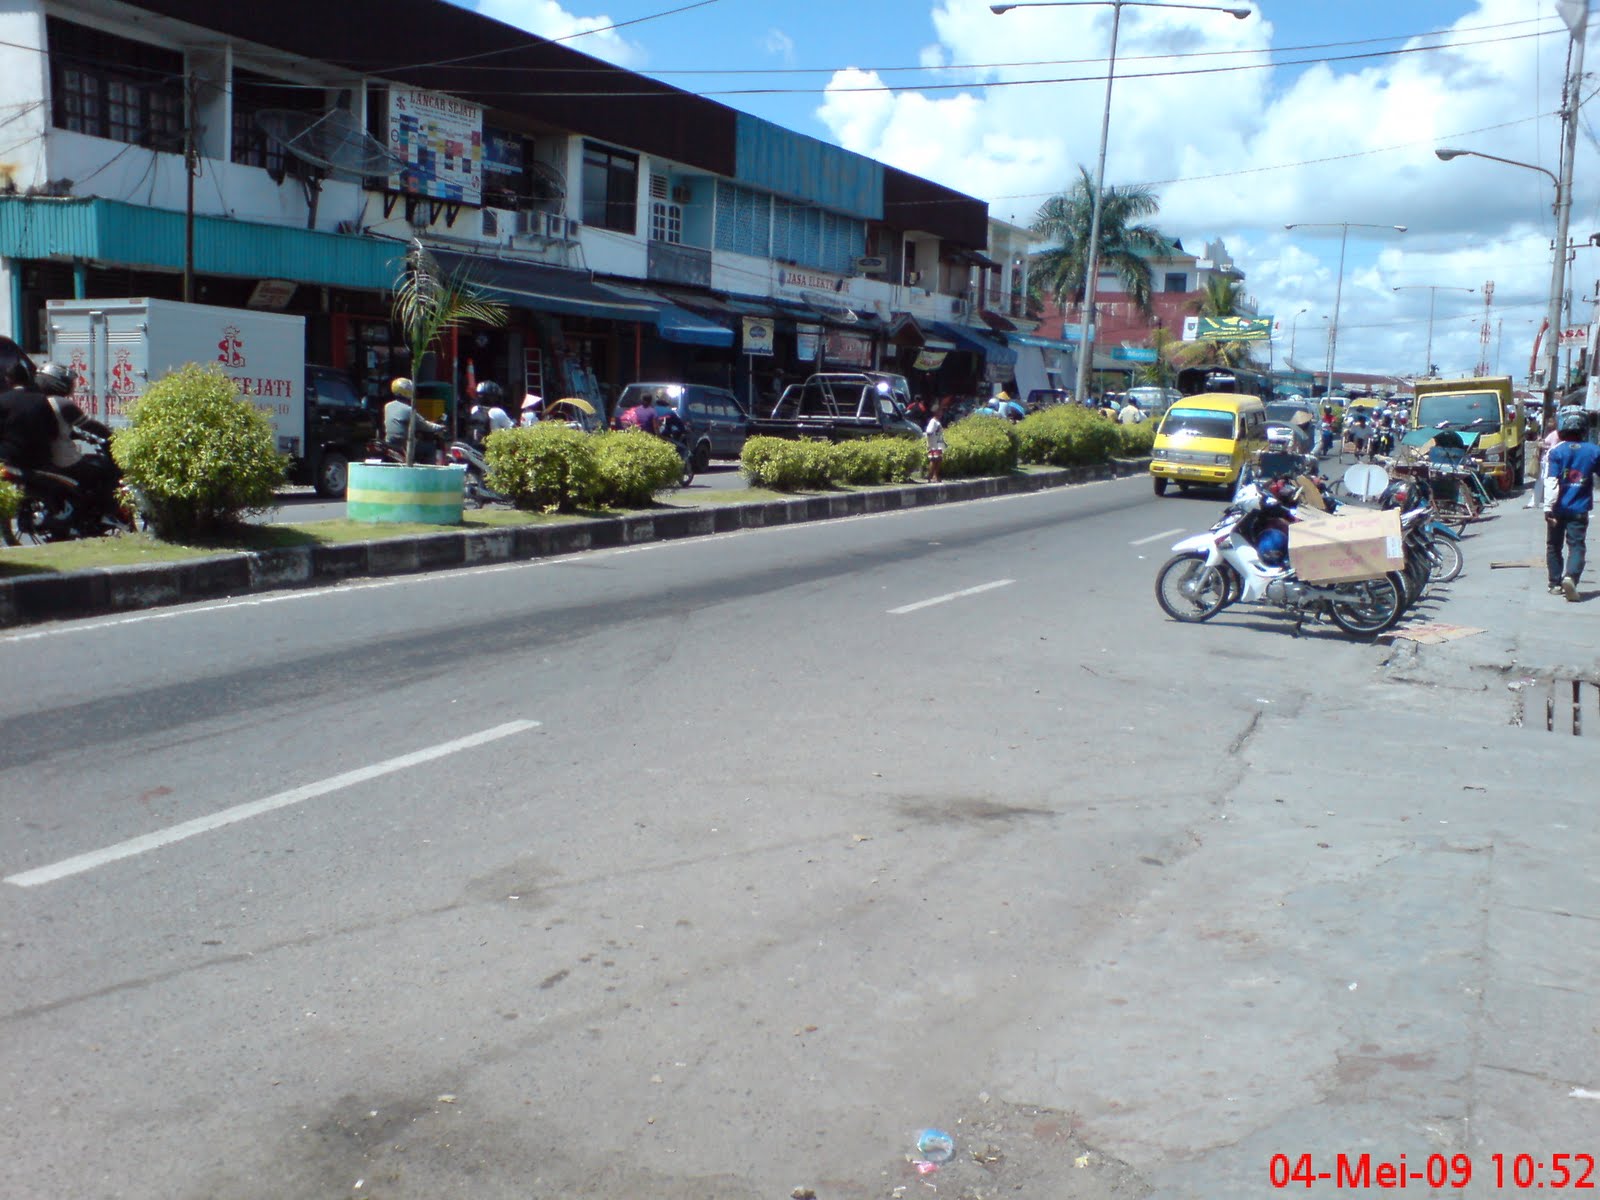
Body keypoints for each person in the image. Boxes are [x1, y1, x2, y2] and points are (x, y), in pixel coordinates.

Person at [1543, 405, 1600, 601]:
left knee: (1554, 546)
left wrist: (1547, 507)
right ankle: (1571, 577)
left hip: (1557, 509)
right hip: (1580, 509)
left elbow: (1551, 481)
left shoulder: (1556, 452)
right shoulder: (1594, 451)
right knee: (1576, 545)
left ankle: (1555, 584)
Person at [383, 377, 444, 462]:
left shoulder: (388, 406)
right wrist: (441, 427)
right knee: (430, 448)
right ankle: (427, 470)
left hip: (390, 442)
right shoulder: (408, 409)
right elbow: (425, 426)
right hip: (404, 444)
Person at [464, 380, 513, 446]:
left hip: (474, 446)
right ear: (493, 397)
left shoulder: (475, 409)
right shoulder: (497, 412)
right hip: (491, 449)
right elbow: (512, 429)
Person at [924, 412, 945, 483]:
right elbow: (929, 432)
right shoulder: (933, 422)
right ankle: (930, 476)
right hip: (934, 444)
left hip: (938, 444)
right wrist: (932, 440)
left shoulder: (937, 422)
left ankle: (935, 476)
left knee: (939, 460)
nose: (941, 414)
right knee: (934, 460)